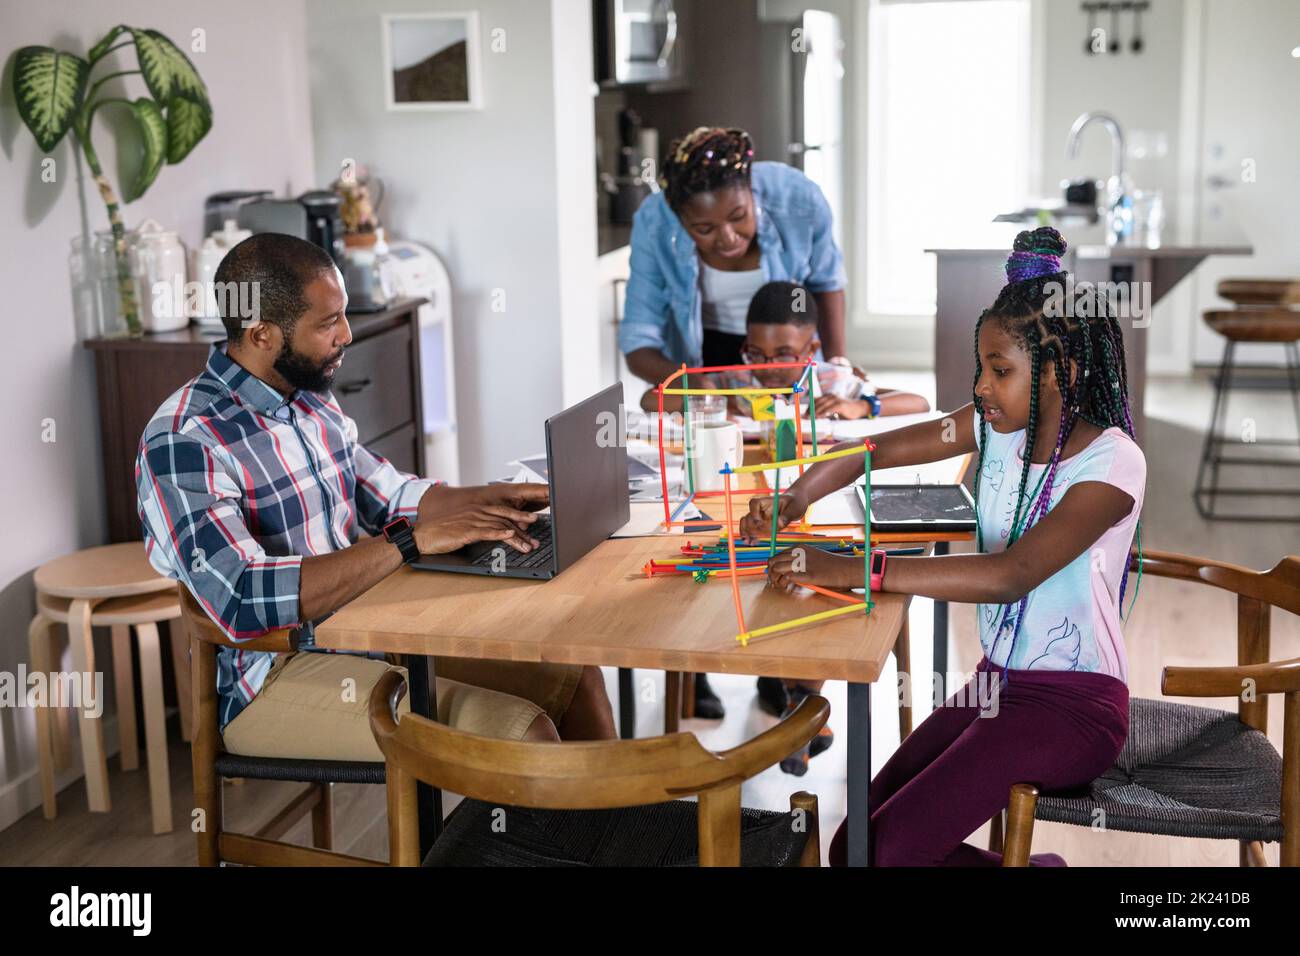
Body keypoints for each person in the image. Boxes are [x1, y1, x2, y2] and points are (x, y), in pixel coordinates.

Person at [741, 227, 1145, 864]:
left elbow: (1009, 575)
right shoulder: (996, 431)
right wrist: (795, 498)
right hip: (998, 683)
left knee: (887, 851)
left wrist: (854, 569)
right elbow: (873, 449)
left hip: (1075, 708)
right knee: (858, 844)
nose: (981, 387)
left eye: (1001, 371)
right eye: (981, 368)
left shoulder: (1112, 466)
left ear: (1061, 371)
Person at [137, 233, 617, 762]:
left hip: (364, 633)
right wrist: (408, 544)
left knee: (575, 679)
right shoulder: (185, 438)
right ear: (262, 334)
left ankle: (611, 841)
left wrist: (498, 497)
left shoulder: (307, 399)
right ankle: (525, 846)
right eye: (327, 323)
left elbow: (389, 495)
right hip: (270, 674)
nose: (345, 334)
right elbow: (242, 598)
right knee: (522, 733)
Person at [622, 127, 849, 718]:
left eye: (739, 219)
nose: (726, 238)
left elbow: (825, 283)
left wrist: (835, 366)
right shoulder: (652, 224)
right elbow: (640, 343)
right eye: (704, 230)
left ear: (753, 194)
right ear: (678, 220)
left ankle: (779, 664)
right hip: (703, 365)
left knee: (781, 500)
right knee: (714, 505)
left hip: (782, 354)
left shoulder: (799, 198)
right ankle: (693, 660)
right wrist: (703, 383)